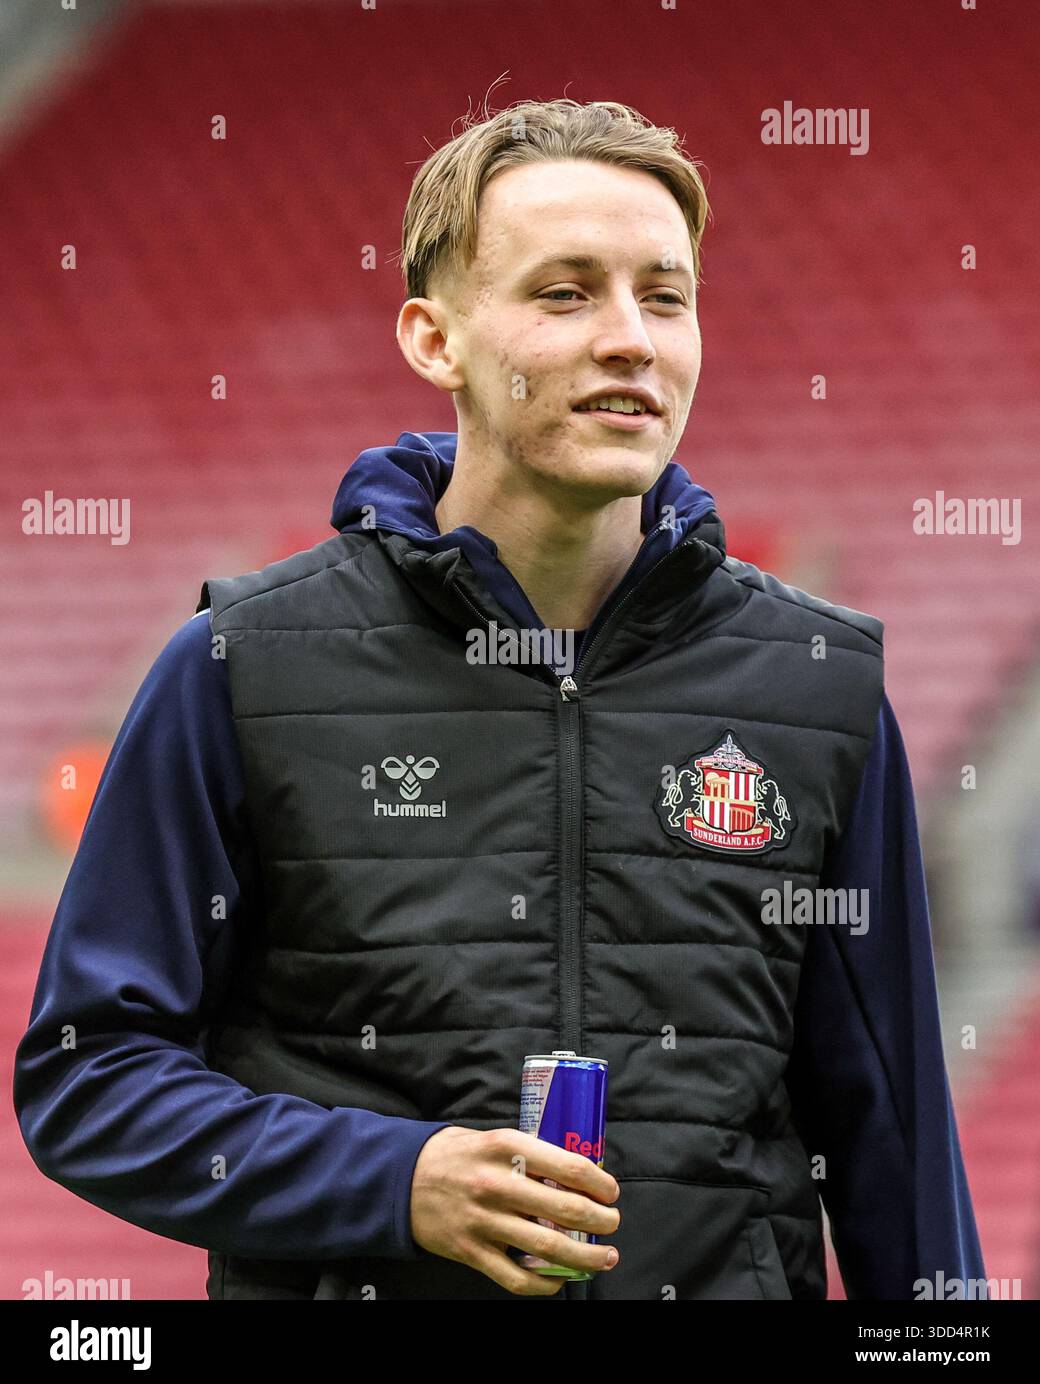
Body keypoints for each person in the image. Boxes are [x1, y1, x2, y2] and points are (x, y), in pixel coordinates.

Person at [14, 97, 987, 1301]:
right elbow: (89, 1075)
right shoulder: (238, 666)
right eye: (565, 292)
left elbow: (891, 1133)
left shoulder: (816, 685)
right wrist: (393, 1180)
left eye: (664, 297)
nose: (630, 339)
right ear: (434, 340)